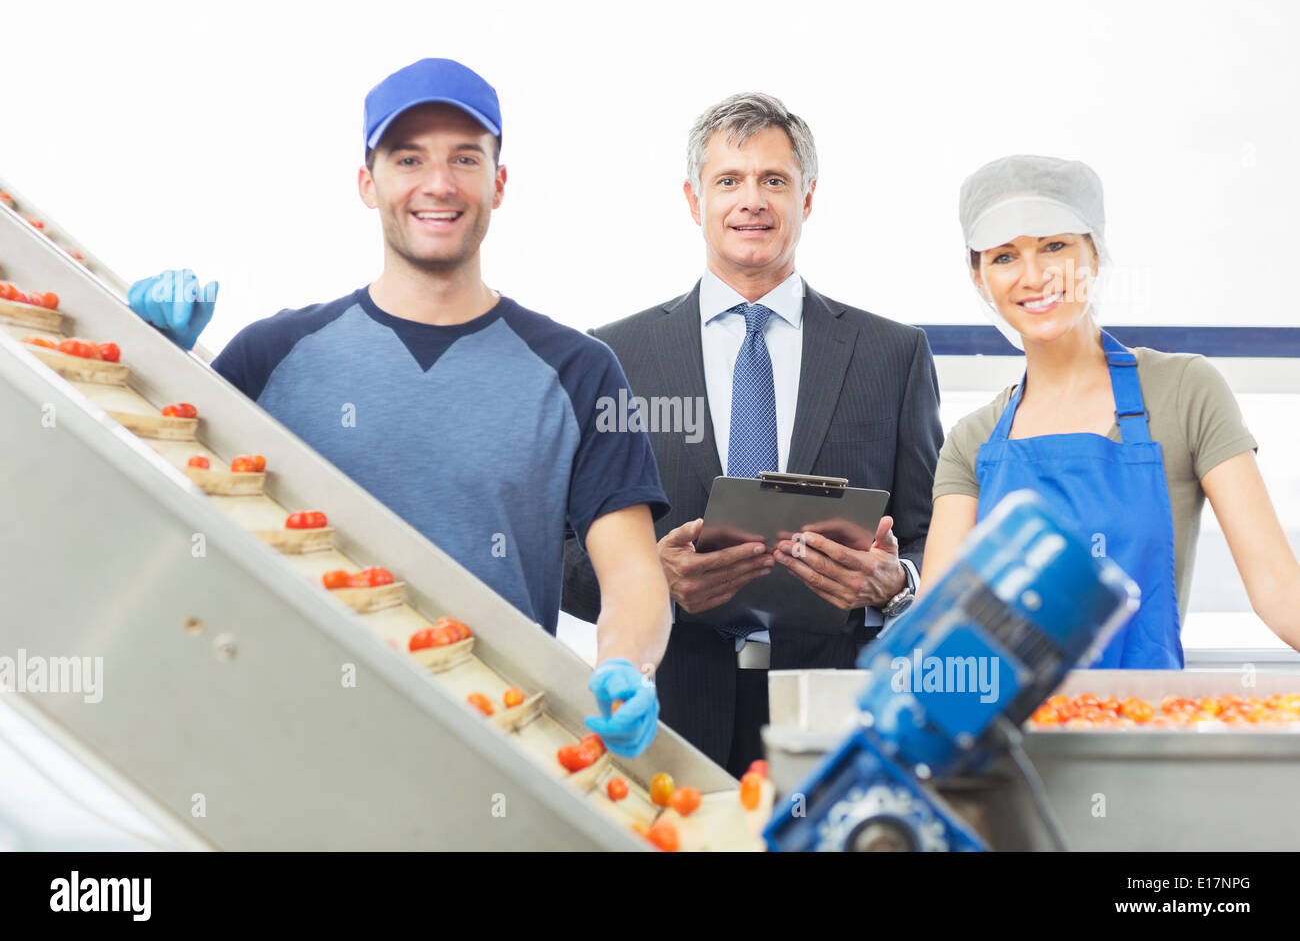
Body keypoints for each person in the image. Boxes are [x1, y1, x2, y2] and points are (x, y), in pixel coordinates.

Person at [127, 58, 672, 755]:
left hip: (498, 748)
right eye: (409, 158)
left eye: (465, 158)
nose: (438, 184)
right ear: (368, 182)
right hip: (288, 734)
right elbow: (160, 514)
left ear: (499, 183)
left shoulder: (579, 372)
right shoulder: (270, 355)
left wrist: (627, 666)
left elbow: (632, 575)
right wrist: (151, 367)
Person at [563, 93, 942, 775]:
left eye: (774, 180)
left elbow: (931, 535)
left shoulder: (893, 355)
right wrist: (652, 580)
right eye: (729, 180)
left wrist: (897, 582)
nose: (752, 201)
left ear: (807, 197)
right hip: (671, 711)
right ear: (694, 200)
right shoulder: (617, 356)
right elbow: (563, 551)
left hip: (836, 713)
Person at [921, 153, 1300, 665]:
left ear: (1094, 256)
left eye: (1054, 246)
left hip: (1141, 714)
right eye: (1004, 256)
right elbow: (938, 636)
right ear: (979, 277)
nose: (1033, 276)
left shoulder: (1184, 391)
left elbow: (1279, 591)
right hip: (1005, 717)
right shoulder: (973, 439)